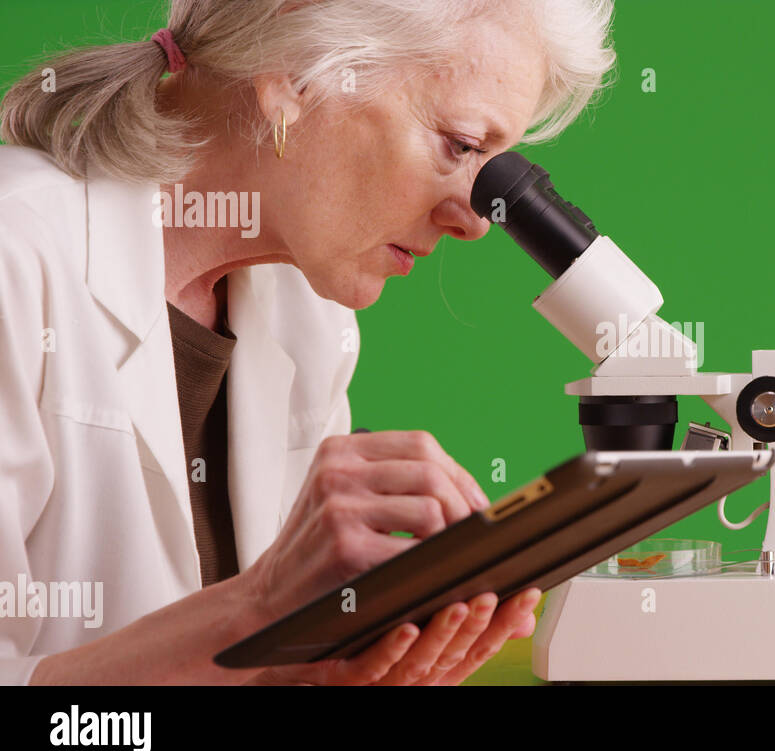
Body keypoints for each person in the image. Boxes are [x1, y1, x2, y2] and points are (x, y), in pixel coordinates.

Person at [0, 0, 616, 685]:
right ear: (294, 76)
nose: (476, 220)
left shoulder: (306, 320)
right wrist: (254, 608)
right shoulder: (15, 259)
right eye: (462, 145)